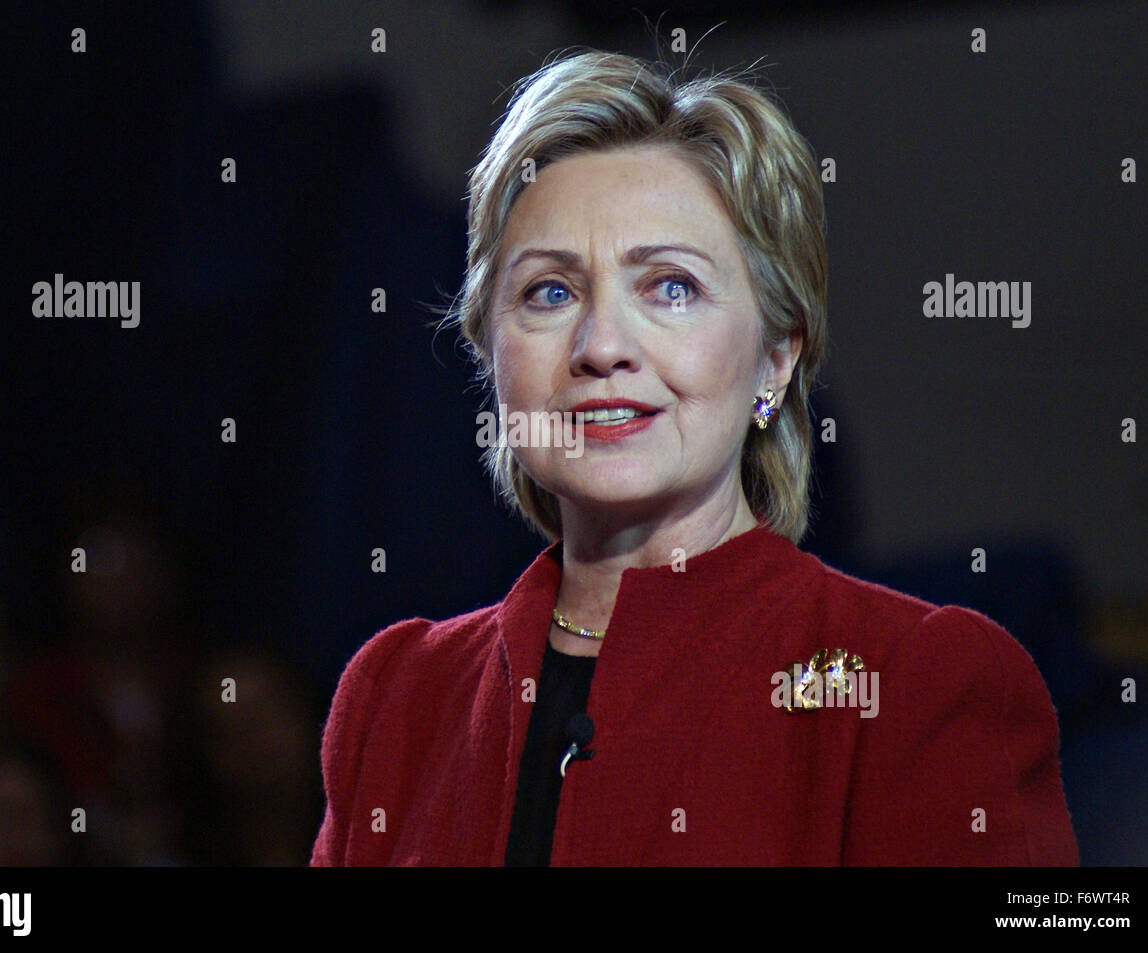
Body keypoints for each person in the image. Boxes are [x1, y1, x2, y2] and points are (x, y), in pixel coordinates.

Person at [309, 49, 1078, 866]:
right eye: (549, 293)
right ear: (488, 349)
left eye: (670, 287)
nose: (602, 345)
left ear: (777, 359)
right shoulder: (397, 699)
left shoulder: (917, 682)